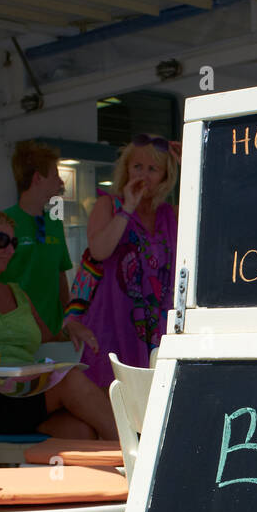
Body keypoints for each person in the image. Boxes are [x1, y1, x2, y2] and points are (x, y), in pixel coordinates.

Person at [0, 204, 116, 442]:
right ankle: (135, 456)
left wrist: (69, 327)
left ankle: (117, 458)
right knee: (71, 380)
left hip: (22, 394)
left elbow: (49, 339)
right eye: (0, 240)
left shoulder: (17, 294)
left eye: (14, 243)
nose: (9, 250)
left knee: (78, 431)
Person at [65, 135, 179, 387]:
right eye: (137, 166)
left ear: (165, 175)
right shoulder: (107, 205)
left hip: (159, 330)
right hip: (113, 325)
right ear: (126, 168)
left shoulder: (171, 214)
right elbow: (99, 251)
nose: (144, 174)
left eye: (153, 169)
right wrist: (127, 208)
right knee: (112, 398)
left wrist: (189, 162)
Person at [0, 141, 73, 338]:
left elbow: (61, 275)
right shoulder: (3, 223)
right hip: (17, 335)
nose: (61, 182)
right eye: (55, 175)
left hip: (53, 334)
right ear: (38, 178)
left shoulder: (55, 223)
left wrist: (69, 321)